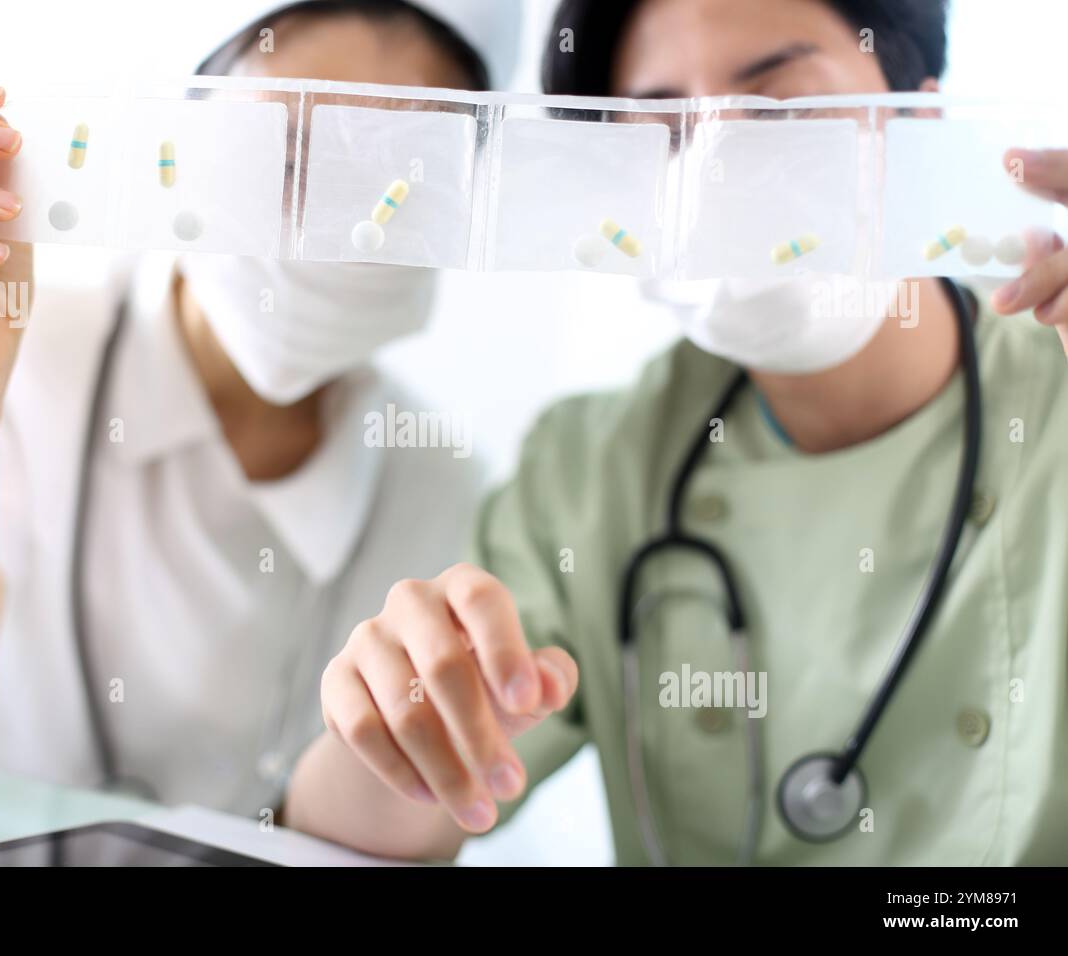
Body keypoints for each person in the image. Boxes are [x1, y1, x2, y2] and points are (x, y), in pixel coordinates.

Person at [285, 0, 1068, 863]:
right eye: (660, 131)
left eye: (782, 107)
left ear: (920, 118)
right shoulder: (590, 472)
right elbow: (376, 829)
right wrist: (394, 724)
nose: (722, 164)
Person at [0, 0, 517, 814]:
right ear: (191, 132)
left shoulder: (439, 482)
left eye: (396, 180)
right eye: (281, 152)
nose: (329, 223)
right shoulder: (18, 350)